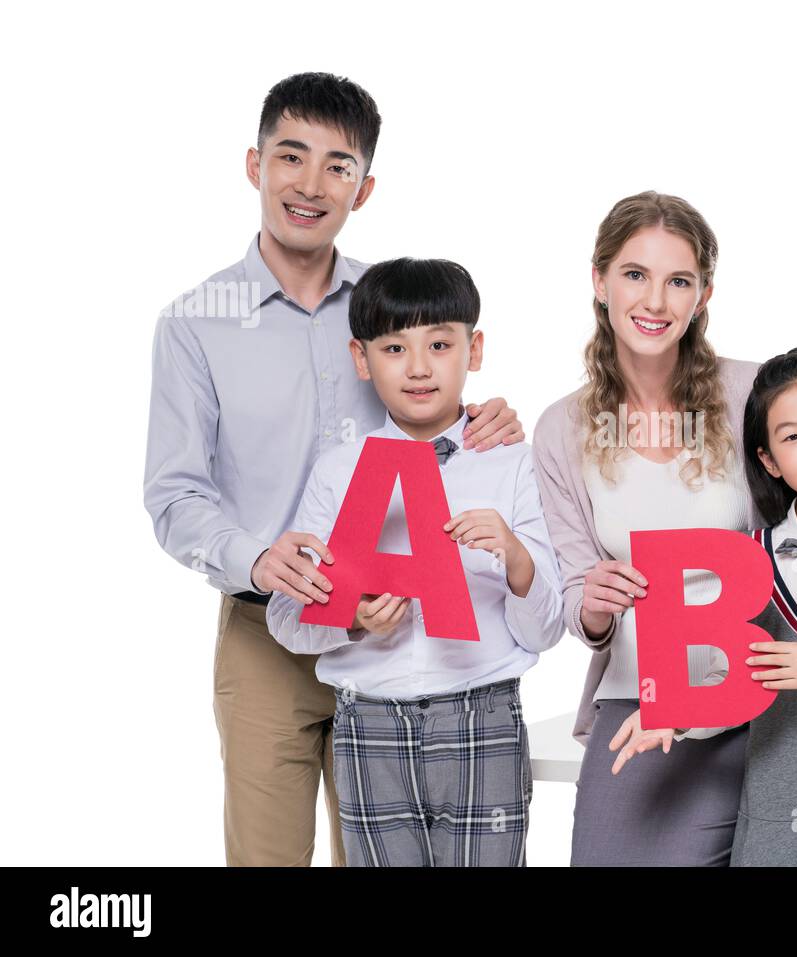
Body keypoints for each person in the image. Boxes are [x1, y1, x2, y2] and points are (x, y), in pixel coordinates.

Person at [143, 73, 522, 866]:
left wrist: (489, 418)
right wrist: (257, 557)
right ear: (255, 165)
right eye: (292, 157)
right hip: (267, 637)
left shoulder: (391, 312)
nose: (311, 185)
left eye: (338, 165)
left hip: (400, 635)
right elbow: (175, 493)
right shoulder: (194, 325)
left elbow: (435, 406)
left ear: (365, 185)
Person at [532, 190, 797, 866]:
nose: (655, 300)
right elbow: (579, 600)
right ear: (599, 281)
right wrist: (595, 606)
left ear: (704, 295)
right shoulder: (563, 428)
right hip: (648, 692)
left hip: (777, 684)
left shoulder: (755, 392)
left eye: (679, 280)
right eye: (635, 274)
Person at [265, 257, 564, 866]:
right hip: (368, 721)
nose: (420, 367)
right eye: (395, 347)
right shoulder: (340, 471)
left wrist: (514, 555)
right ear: (361, 359)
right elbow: (286, 618)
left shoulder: (512, 464)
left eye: (440, 344)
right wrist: (352, 620)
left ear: (473, 350)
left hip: (483, 712)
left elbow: (547, 626)